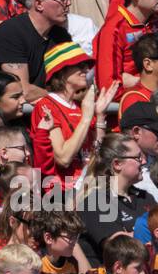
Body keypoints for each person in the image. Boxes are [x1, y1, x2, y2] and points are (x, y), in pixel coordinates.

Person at [32, 41, 116, 190]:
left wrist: (100, 116)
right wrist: (86, 117)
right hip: (62, 192)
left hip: (90, 188)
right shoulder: (46, 106)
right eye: (80, 65)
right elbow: (63, 158)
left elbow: (97, 153)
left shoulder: (81, 106)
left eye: (86, 65)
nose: (86, 70)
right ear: (61, 71)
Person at [0, 0, 74, 98]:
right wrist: (60, 97)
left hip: (46, 106)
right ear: (39, 4)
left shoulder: (61, 36)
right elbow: (22, 91)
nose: (68, 3)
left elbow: (71, 83)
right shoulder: (11, 32)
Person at [75, 133, 154, 264]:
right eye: (138, 157)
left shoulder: (145, 197)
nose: (144, 162)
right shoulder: (96, 202)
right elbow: (120, 248)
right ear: (117, 164)